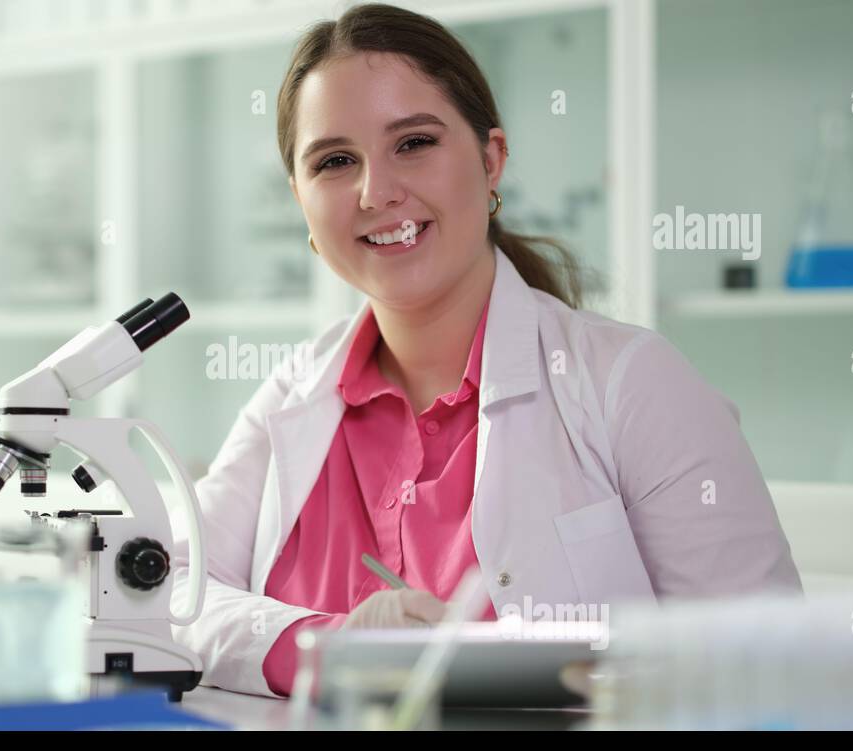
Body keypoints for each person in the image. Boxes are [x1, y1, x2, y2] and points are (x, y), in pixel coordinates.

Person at [170, 3, 801, 699]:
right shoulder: (291, 397)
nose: (377, 191)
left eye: (413, 143)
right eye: (336, 161)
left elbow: (765, 667)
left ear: (491, 158)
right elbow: (167, 592)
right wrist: (331, 647)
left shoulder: (630, 382)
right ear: (301, 200)